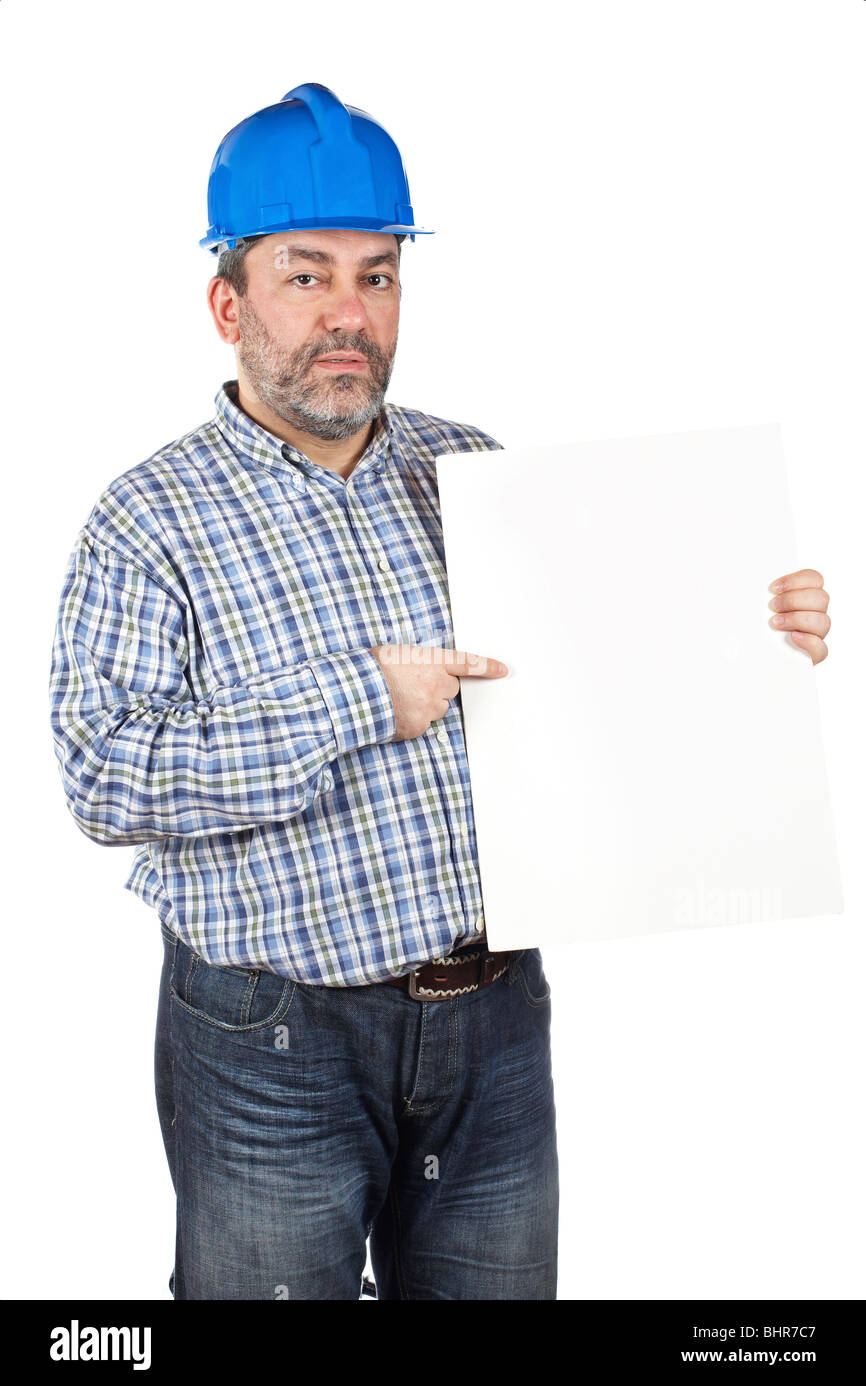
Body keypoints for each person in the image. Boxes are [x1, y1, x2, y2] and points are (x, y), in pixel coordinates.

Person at [48, 83, 831, 1303]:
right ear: (226, 302)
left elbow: (598, 670)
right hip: (274, 1040)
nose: (348, 315)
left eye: (379, 275)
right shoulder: (148, 520)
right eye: (306, 277)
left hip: (494, 1027)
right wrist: (356, 698)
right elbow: (105, 777)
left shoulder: (467, 466)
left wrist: (751, 626)